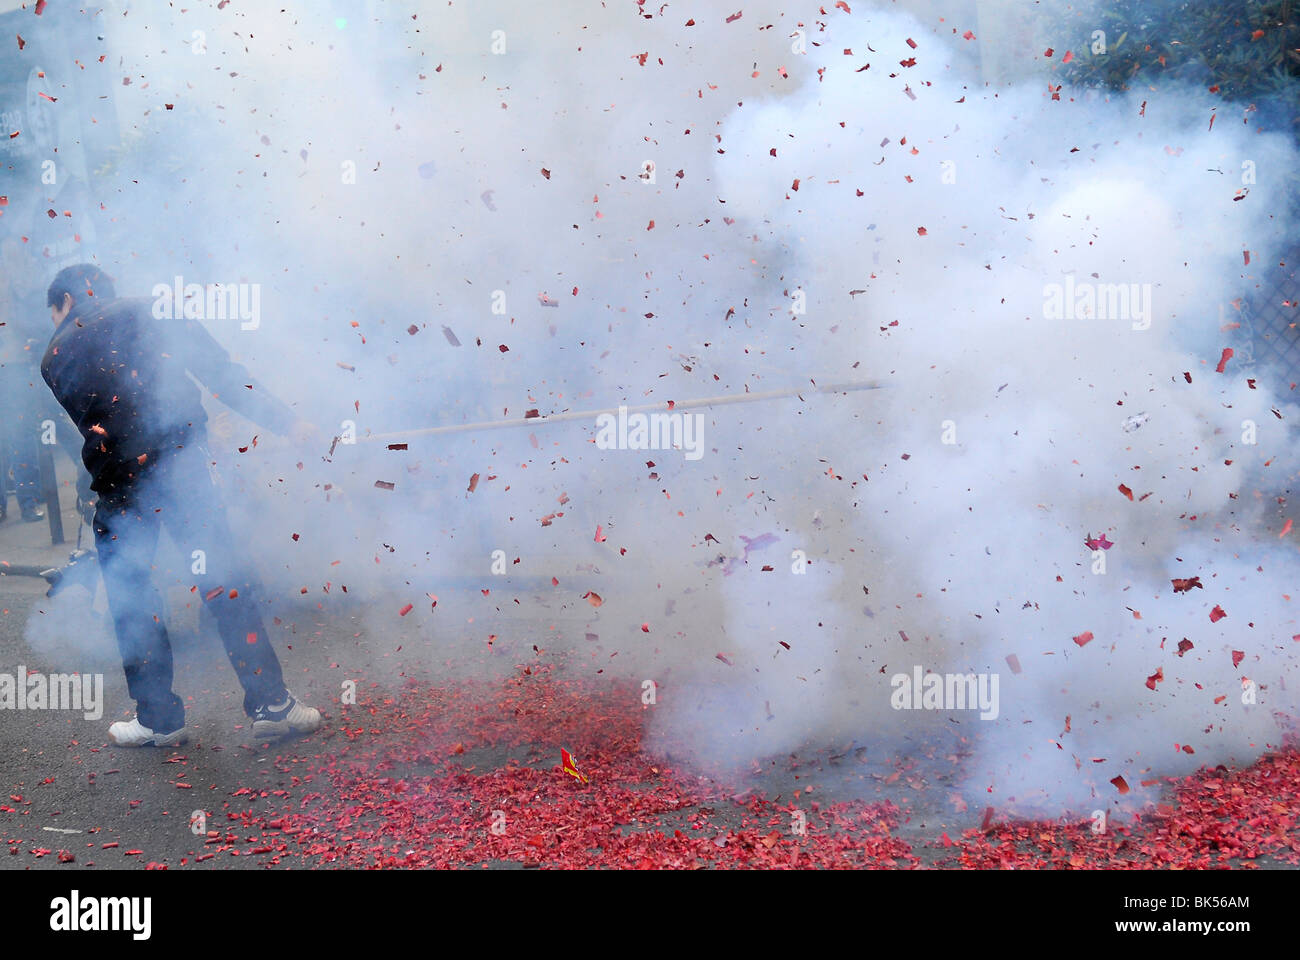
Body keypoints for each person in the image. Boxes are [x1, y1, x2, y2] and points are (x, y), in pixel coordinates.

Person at [40, 263, 322, 747]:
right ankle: (271, 705)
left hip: (118, 485)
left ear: (65, 301)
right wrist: (290, 424)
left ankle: (158, 719)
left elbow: (102, 420)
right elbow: (225, 377)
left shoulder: (54, 355)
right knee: (222, 582)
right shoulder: (155, 310)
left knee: (132, 595)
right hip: (183, 469)